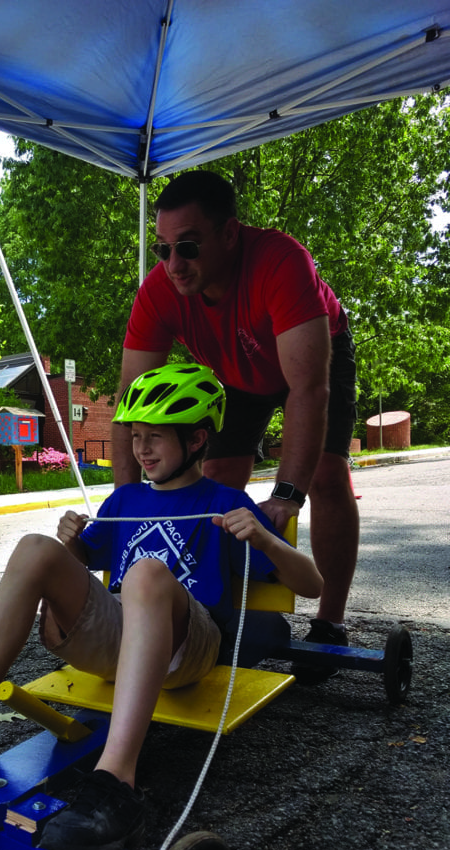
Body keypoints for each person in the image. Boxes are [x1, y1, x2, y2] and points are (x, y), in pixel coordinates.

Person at [0, 366, 322, 850]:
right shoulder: (125, 500)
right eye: (135, 437)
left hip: (189, 648)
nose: (141, 449)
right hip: (117, 642)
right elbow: (78, 567)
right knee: (33, 547)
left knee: (147, 575)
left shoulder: (224, 503)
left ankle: (116, 779)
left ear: (197, 439)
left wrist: (261, 536)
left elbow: (311, 585)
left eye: (155, 437)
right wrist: (66, 545)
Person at [114, 169, 358, 671]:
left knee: (327, 476)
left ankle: (329, 621)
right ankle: (215, 609)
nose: (174, 265)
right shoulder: (159, 290)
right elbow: (128, 402)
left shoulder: (281, 261)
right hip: (237, 370)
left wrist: (288, 493)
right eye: (163, 249)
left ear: (229, 234)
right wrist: (127, 501)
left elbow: (307, 388)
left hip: (311, 354)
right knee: (215, 479)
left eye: (188, 247)